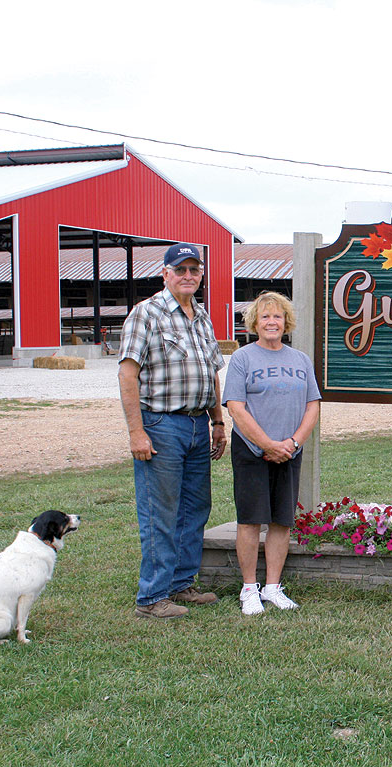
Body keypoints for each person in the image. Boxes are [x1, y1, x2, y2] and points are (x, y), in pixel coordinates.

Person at [118, 243, 228, 619]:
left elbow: (211, 372)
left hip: (199, 423)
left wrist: (217, 421)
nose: (188, 275)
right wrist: (136, 431)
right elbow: (127, 373)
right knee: (160, 512)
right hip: (161, 424)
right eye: (179, 269)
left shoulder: (202, 316)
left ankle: (182, 584)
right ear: (165, 273)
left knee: (195, 508)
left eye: (194, 270)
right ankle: (152, 597)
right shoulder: (145, 314)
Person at [222, 291, 320, 615]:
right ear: (255, 322)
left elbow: (312, 405)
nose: (271, 322)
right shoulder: (243, 358)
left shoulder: (300, 360)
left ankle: (273, 588)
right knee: (251, 520)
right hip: (252, 450)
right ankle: (249, 589)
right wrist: (267, 444)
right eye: (265, 316)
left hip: (289, 451)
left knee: (281, 520)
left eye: (277, 316)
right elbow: (236, 407)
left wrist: (291, 444)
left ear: (286, 321)